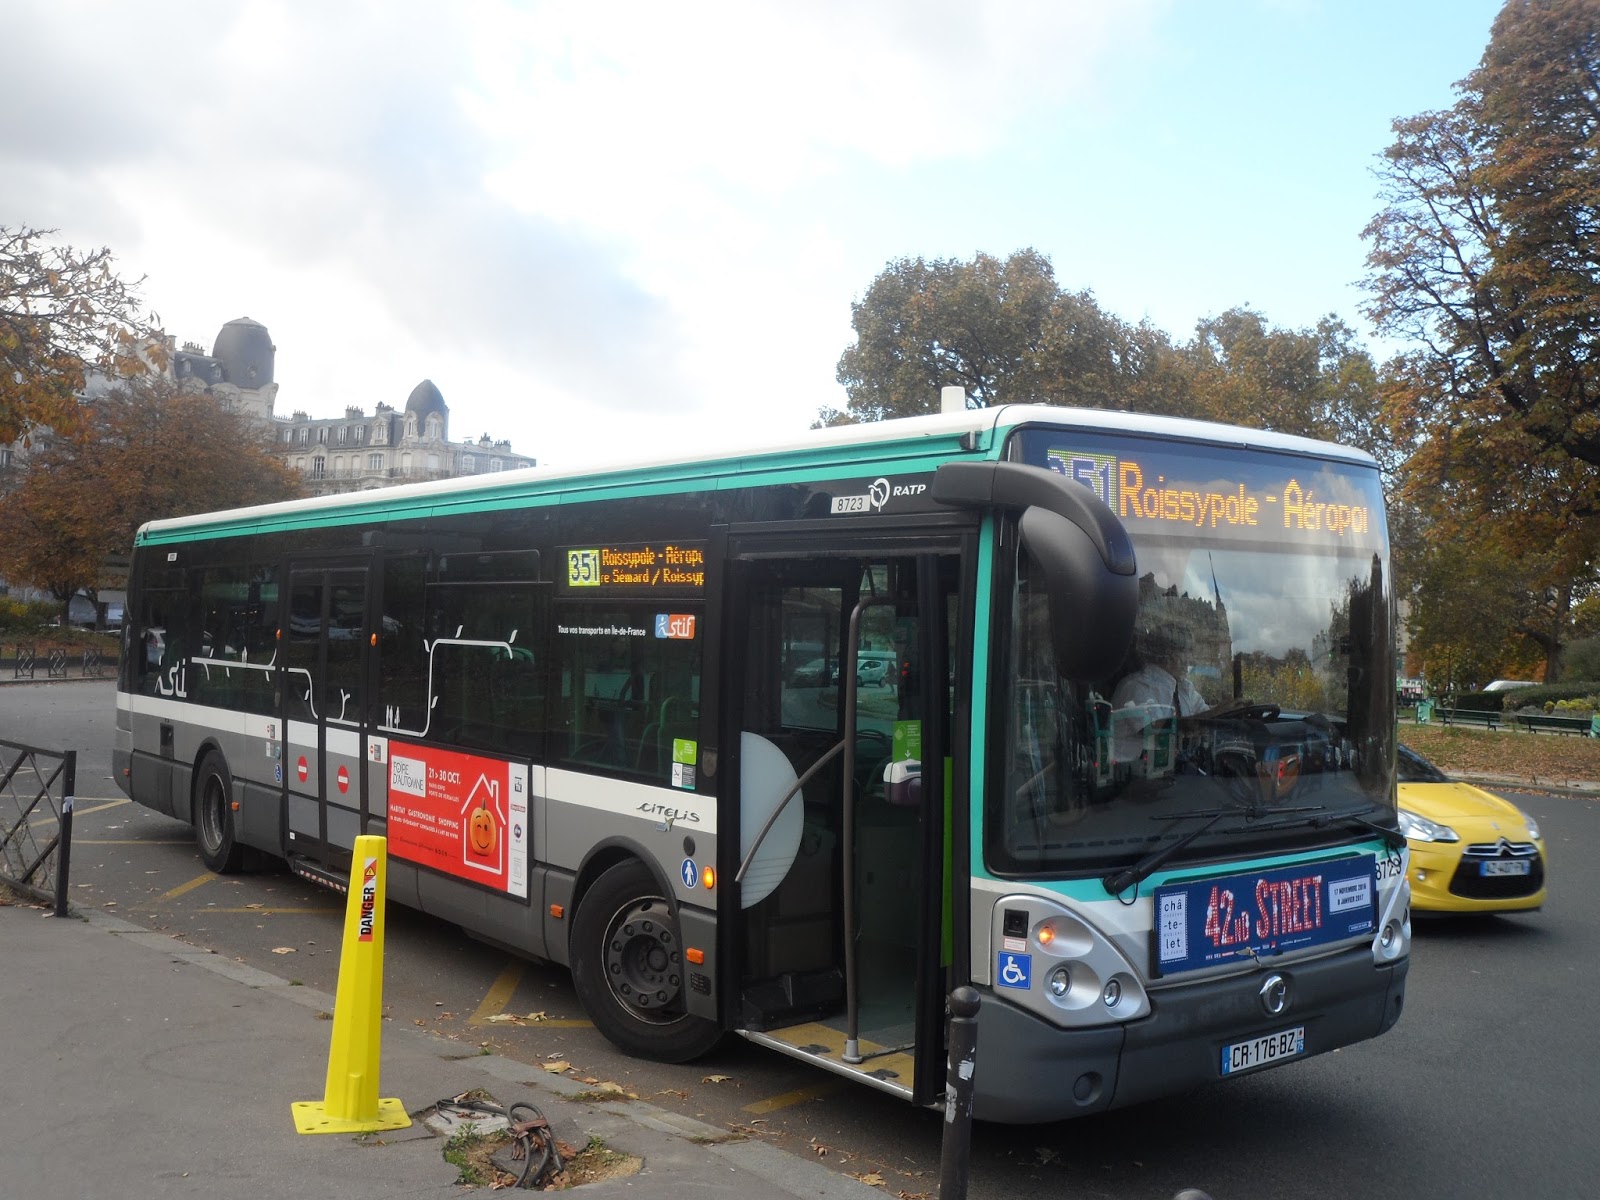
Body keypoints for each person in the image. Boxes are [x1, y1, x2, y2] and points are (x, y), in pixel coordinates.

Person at [1111, 629, 1207, 717]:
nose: (1190, 659)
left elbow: (1206, 715)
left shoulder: (1184, 688)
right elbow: (1157, 730)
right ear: (1168, 654)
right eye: (1186, 651)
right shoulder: (1137, 687)